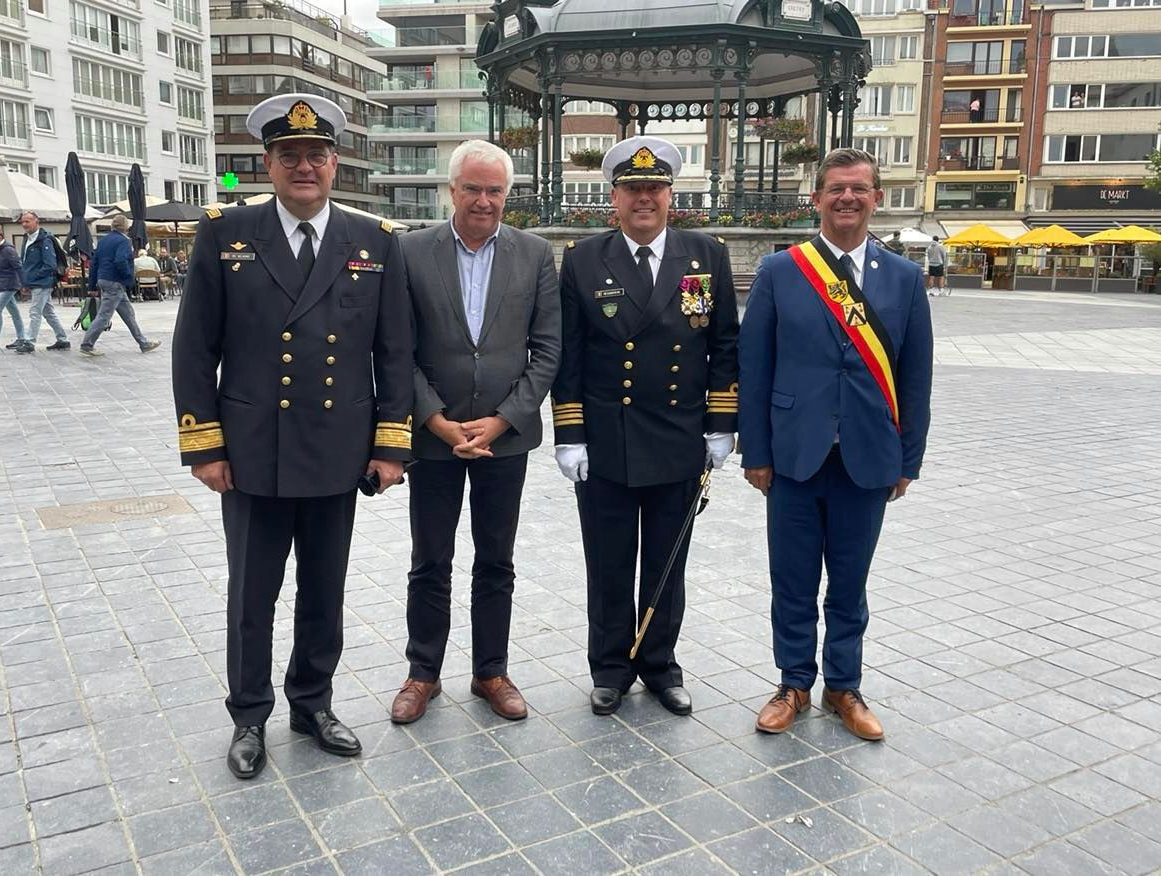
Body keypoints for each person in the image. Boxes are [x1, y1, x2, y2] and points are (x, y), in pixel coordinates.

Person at [171, 93, 414, 779]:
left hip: (338, 447)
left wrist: (391, 444)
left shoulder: (375, 241)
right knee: (252, 593)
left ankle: (312, 702)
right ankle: (249, 714)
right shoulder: (226, 232)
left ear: (336, 162)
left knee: (324, 589)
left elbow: (394, 352)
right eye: (289, 156)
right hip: (252, 452)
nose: (303, 166)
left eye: (316, 155)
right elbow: (193, 348)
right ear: (269, 164)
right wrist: (204, 444)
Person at [738, 148, 933, 741]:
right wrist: (758, 452)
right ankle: (793, 681)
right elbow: (755, 365)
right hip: (796, 454)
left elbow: (916, 374)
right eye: (836, 189)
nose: (848, 198)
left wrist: (908, 459)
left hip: (869, 456)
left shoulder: (903, 276)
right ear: (817, 199)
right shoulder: (782, 270)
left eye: (860, 189)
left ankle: (843, 686)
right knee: (792, 579)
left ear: (876, 197)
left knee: (850, 582)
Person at [551, 136, 739, 717]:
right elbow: (569, 354)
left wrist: (721, 424)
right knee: (607, 563)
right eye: (632, 189)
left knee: (667, 561)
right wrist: (569, 433)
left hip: (680, 440)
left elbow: (725, 344)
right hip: (607, 439)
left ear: (669, 195)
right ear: (614, 196)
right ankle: (610, 666)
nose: (644, 199)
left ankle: (659, 665)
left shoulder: (705, 255)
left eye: (654, 188)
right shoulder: (585, 258)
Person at [389, 140, 561, 725]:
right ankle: (423, 672)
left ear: (506, 195)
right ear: (451, 190)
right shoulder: (409, 252)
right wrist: (434, 419)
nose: (484, 201)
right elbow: (397, 349)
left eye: (495, 191)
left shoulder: (535, 254)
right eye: (473, 189)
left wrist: (505, 417)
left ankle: (492, 670)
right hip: (433, 437)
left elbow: (548, 349)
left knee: (496, 560)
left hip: (503, 439)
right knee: (429, 560)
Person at [81, 215, 161, 357]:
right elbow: (120, 261)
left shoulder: (103, 241)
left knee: (128, 313)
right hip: (116, 281)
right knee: (104, 315)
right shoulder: (124, 241)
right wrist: (128, 278)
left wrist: (92, 286)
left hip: (103, 279)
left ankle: (143, 343)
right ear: (126, 227)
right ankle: (87, 344)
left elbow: (94, 264)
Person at [16, 210, 69, 353]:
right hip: (35, 281)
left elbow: (50, 265)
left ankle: (29, 342)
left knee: (35, 312)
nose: (24, 224)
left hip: (43, 282)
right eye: (23, 222)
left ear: (36, 222)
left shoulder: (45, 240)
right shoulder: (27, 239)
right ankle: (63, 339)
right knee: (48, 312)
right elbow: (25, 262)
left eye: (27, 221)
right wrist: (25, 281)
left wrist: (31, 279)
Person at [0, 224, 26, 351]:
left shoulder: (8, 250)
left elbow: (18, 267)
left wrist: (24, 284)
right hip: (0, 285)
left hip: (9, 285)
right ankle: (22, 338)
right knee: (14, 312)